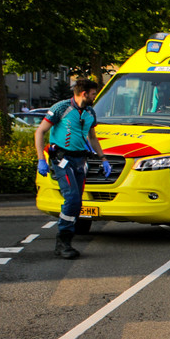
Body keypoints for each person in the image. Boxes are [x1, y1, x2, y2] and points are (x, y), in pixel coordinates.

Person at [35, 78, 108, 259]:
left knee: (77, 202)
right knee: (73, 198)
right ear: (84, 93)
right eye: (93, 93)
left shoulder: (90, 112)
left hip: (80, 161)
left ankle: (66, 240)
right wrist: (41, 160)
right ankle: (63, 242)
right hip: (62, 159)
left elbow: (92, 137)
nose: (95, 96)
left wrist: (103, 158)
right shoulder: (61, 108)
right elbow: (40, 131)